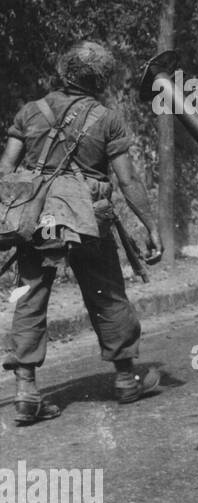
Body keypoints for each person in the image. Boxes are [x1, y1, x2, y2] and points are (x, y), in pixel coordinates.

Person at [1, 41, 163, 424]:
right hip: (87, 216)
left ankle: (26, 393)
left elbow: (6, 171)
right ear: (102, 81)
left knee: (31, 294)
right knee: (107, 291)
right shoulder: (107, 119)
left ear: (63, 72)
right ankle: (125, 379)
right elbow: (127, 179)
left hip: (38, 217)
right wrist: (152, 226)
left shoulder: (30, 112)